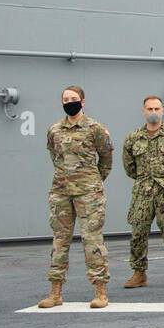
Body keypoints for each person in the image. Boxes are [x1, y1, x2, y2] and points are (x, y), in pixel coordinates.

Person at [38, 85, 113, 310]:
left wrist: (94, 180)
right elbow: (55, 156)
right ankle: (55, 292)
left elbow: (106, 158)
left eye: (73, 98)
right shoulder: (54, 130)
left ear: (82, 101)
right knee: (59, 241)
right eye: (65, 98)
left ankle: (100, 291)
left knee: (92, 240)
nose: (69, 101)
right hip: (61, 191)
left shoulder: (95, 128)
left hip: (89, 192)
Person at [120, 95, 164, 290]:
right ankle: (138, 273)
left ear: (162, 111)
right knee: (138, 232)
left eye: (156, 109)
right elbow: (129, 167)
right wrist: (145, 179)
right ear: (144, 111)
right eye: (149, 109)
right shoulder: (133, 138)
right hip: (142, 192)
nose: (153, 112)